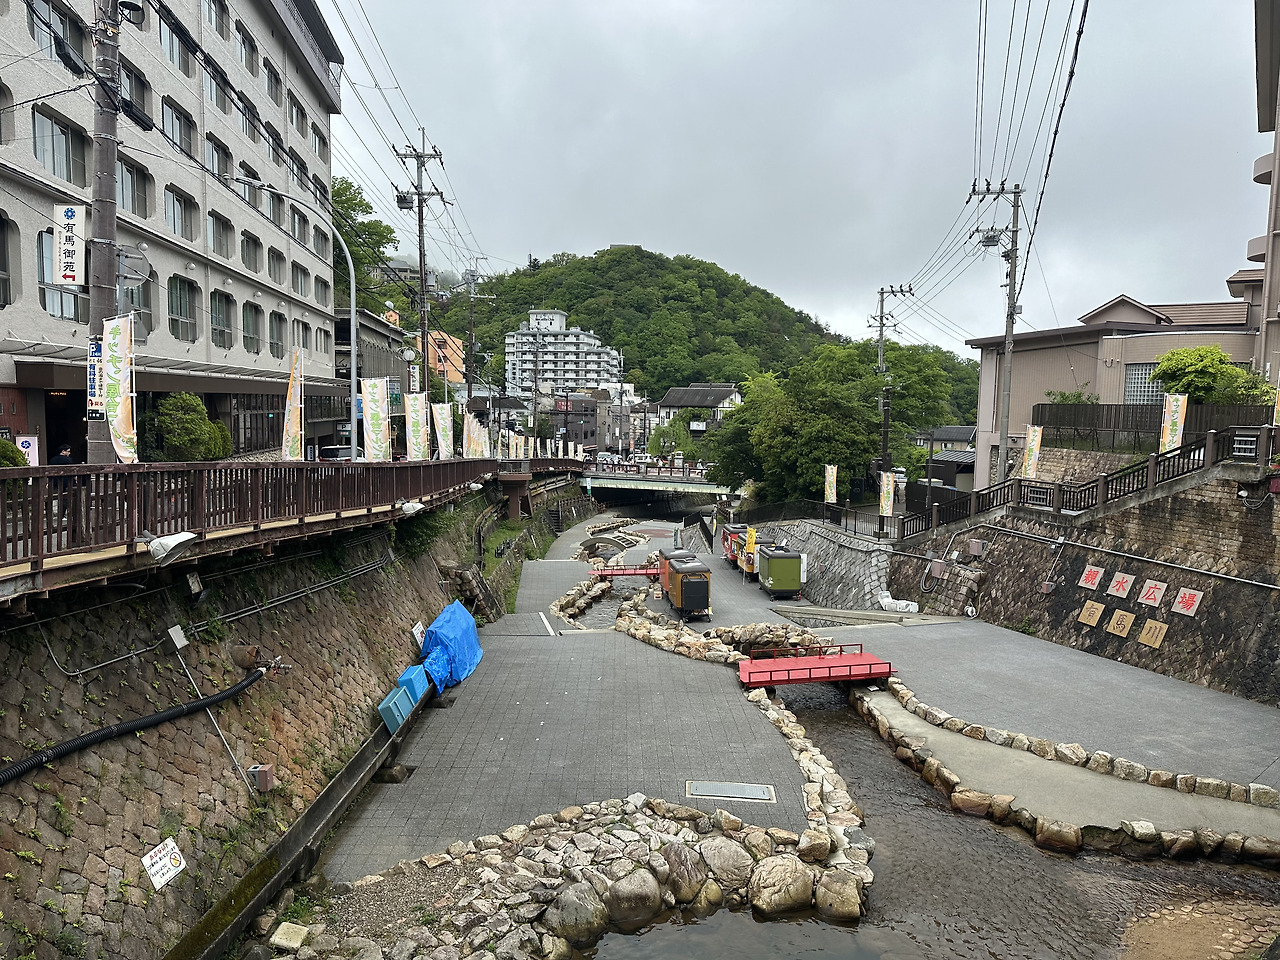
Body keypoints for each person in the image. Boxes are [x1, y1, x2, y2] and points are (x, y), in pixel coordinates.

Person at [49, 443, 76, 531]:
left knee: (55, 497)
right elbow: (72, 471)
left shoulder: (53, 460)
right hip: (66, 481)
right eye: (68, 451)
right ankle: (62, 514)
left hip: (55, 481)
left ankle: (53, 513)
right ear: (63, 452)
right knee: (65, 498)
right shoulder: (68, 460)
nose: (69, 453)